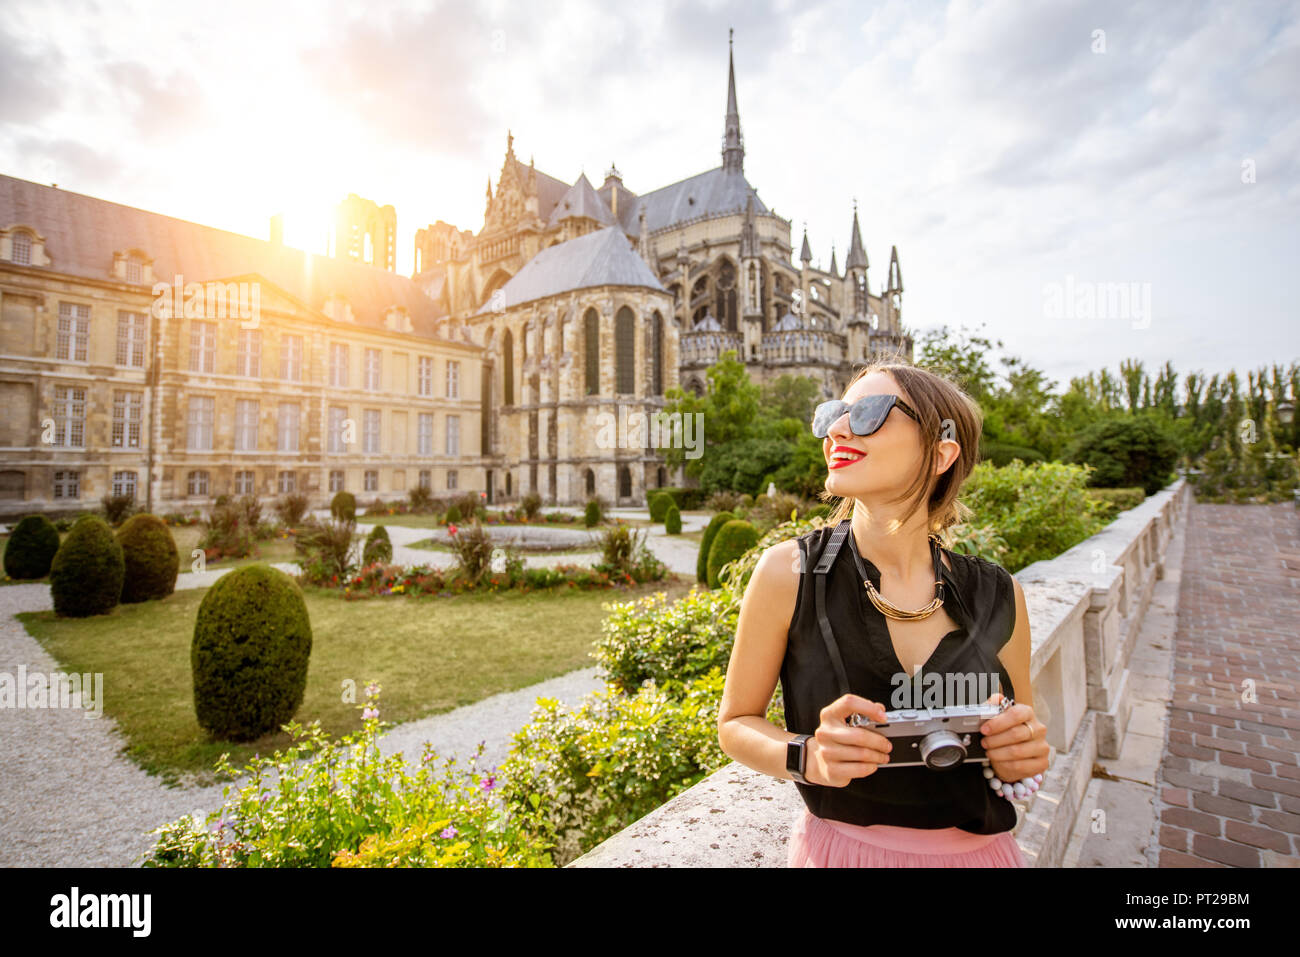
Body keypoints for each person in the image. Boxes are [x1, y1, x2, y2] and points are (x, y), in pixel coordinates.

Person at [717, 361, 1049, 867]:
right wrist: (806, 756)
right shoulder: (789, 572)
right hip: (843, 856)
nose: (837, 429)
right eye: (833, 413)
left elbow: (1021, 740)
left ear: (941, 453)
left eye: (869, 413)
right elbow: (736, 723)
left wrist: (1019, 757)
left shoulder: (1000, 592)